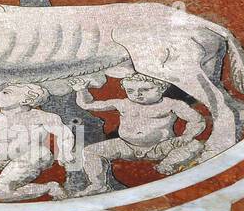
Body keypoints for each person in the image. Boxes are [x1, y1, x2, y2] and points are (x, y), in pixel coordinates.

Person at [71, 74, 205, 195]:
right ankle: (98, 185)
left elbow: (197, 120)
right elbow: (87, 104)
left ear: (161, 88)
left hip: (160, 147)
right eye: (131, 91)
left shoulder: (172, 104)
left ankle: (169, 163)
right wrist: (81, 90)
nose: (137, 94)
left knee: (195, 145)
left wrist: (187, 136)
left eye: (145, 90)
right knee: (90, 151)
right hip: (126, 146)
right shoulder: (122, 103)